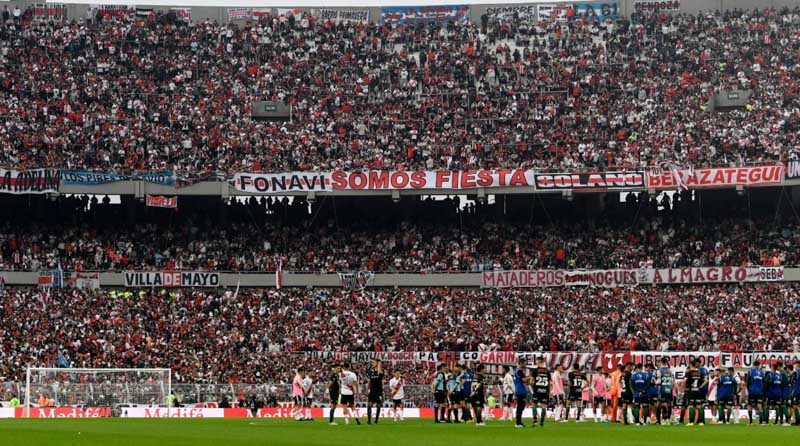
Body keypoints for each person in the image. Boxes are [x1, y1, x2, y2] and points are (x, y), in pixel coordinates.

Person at [530, 356, 550, 427]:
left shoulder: (535, 371)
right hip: (545, 391)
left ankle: (535, 421)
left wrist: (532, 384)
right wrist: (549, 393)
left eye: (537, 361)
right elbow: (549, 383)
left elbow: (531, 381)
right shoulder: (547, 371)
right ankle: (542, 422)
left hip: (537, 391)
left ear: (538, 362)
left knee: (534, 405)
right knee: (544, 407)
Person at [683, 361, 705, 426]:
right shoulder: (699, 373)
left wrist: (684, 388)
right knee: (699, 406)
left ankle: (691, 422)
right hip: (698, 391)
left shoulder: (689, 373)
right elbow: (706, 380)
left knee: (691, 406)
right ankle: (701, 422)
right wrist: (701, 386)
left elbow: (684, 380)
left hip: (691, 391)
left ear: (691, 365)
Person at [746, 360, 766, 425]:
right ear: (759, 365)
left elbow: (748, 381)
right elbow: (764, 382)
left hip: (752, 391)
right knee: (759, 405)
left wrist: (749, 389)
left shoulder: (750, 372)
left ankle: (751, 421)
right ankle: (761, 421)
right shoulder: (762, 373)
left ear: (753, 365)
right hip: (760, 391)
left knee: (750, 405)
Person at [656, 357, 675, 425]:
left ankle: (663, 420)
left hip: (662, 389)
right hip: (669, 389)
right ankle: (668, 419)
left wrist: (655, 382)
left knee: (661, 404)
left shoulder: (659, 370)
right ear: (666, 362)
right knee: (669, 404)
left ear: (661, 362)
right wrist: (670, 388)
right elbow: (672, 381)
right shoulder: (670, 370)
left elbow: (658, 381)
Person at [513, 358, 531, 428]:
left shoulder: (517, 371)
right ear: (521, 363)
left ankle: (519, 422)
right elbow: (524, 380)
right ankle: (518, 423)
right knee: (520, 407)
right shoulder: (519, 371)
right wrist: (530, 376)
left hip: (520, 390)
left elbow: (525, 381)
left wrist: (528, 379)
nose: (525, 365)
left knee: (521, 406)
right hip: (520, 390)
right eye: (524, 363)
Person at [366, 359, 384, 424]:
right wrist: (367, 389)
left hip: (378, 391)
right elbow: (369, 381)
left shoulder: (381, 371)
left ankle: (376, 420)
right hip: (372, 391)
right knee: (369, 405)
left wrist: (379, 363)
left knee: (378, 405)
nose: (372, 363)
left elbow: (379, 371)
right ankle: (369, 420)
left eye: (374, 362)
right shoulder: (371, 372)